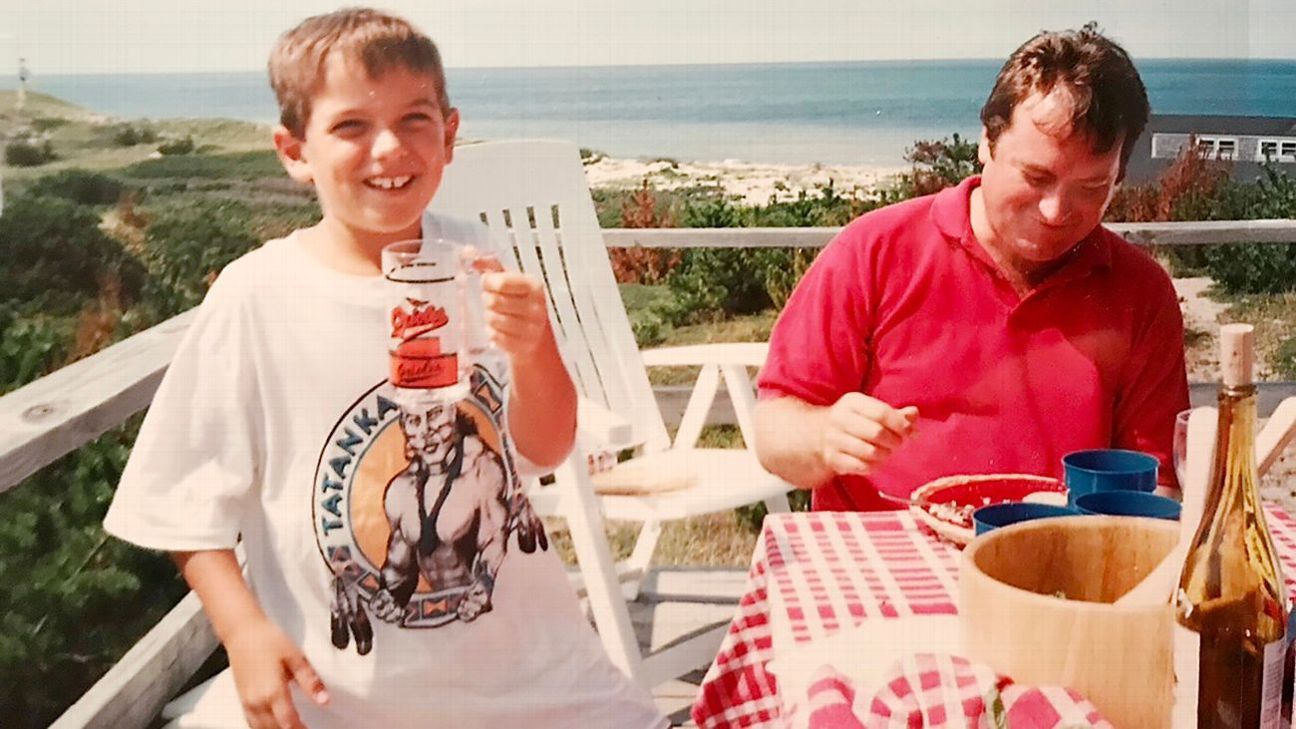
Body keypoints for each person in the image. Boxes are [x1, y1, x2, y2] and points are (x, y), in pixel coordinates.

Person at [103, 9, 665, 729]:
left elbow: (546, 446)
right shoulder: (257, 297)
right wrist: (243, 632)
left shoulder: (478, 257)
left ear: (450, 134)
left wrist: (535, 348)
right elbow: (180, 500)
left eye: (414, 119)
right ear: (294, 150)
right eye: (350, 127)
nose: (389, 148)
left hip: (537, 678)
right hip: (345, 699)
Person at [754, 25, 1190, 512]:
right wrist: (822, 436)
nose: (1055, 211)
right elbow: (774, 432)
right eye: (1036, 176)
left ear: (1120, 177)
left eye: (1091, 188)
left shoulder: (1141, 290)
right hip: (883, 556)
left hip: (1054, 564)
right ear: (987, 141)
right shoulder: (874, 248)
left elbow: (1154, 481)